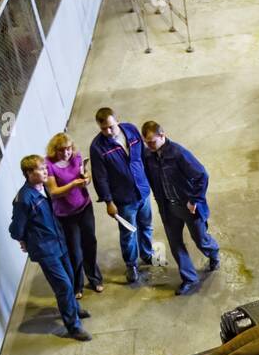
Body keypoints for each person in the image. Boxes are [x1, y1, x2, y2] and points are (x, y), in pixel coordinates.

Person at [8, 154, 92, 342]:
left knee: (70, 278)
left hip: (59, 242)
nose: (46, 172)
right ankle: (73, 326)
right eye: (41, 169)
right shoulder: (24, 199)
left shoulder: (44, 189)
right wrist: (24, 240)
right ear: (29, 173)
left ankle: (75, 309)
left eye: (46, 168)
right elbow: (15, 229)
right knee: (62, 285)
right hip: (45, 250)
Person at [141, 120, 221, 296]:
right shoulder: (148, 156)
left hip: (188, 207)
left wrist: (194, 201)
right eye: (147, 142)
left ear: (163, 135)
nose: (149, 146)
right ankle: (189, 278)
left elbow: (202, 175)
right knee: (175, 243)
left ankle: (214, 253)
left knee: (200, 240)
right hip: (168, 207)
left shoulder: (178, 154)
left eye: (152, 142)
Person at [88, 108, 155, 284]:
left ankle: (147, 254)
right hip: (124, 199)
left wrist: (149, 180)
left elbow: (143, 156)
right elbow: (100, 178)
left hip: (142, 190)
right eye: (104, 129)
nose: (108, 132)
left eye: (111, 127)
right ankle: (131, 264)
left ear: (117, 121)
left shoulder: (131, 130)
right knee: (128, 233)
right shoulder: (97, 147)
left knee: (146, 225)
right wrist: (108, 202)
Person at [45, 132, 103, 296]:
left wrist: (86, 178)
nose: (66, 153)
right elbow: (54, 192)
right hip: (66, 215)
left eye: (68, 149)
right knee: (74, 251)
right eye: (62, 150)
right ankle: (77, 285)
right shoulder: (49, 165)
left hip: (84, 207)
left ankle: (95, 277)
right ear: (54, 150)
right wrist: (73, 185)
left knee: (90, 243)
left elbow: (85, 174)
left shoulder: (76, 157)